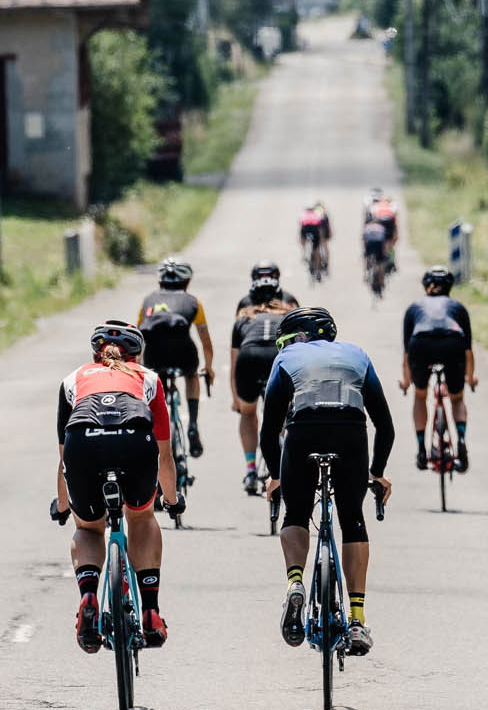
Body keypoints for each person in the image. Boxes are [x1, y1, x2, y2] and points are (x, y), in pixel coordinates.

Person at [261, 307, 394, 656]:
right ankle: (356, 619)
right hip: (351, 434)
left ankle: (294, 583)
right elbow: (385, 425)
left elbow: (269, 428)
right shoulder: (358, 355)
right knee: (352, 519)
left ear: (300, 337)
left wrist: (276, 476)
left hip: (303, 433)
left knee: (295, 514)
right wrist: (377, 472)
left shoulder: (288, 358)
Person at [56, 322, 177, 650]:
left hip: (84, 444)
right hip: (134, 442)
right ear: (136, 354)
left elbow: (64, 456)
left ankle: (88, 599)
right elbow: (164, 454)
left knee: (90, 529)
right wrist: (172, 498)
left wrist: (63, 505)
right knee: (141, 517)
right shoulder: (148, 378)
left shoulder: (73, 379)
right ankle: (150, 611)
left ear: (96, 354)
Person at [229, 260, 298, 495]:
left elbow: (235, 357)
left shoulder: (245, 311)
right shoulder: (289, 304)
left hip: (248, 359)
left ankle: (250, 470)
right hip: (276, 356)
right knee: (282, 414)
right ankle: (280, 465)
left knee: (247, 412)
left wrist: (235, 396)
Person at [400, 264, 476, 471]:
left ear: (426, 287)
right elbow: (468, 350)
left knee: (421, 396)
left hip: (421, 344)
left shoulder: (414, 307)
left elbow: (407, 353)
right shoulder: (458, 307)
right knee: (457, 398)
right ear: (449, 288)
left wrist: (406, 381)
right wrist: (470, 377)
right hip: (453, 344)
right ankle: (460, 440)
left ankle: (421, 449)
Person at [136, 257, 215, 455]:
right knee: (192, 375)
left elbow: (138, 339)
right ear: (187, 281)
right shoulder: (193, 301)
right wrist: (209, 366)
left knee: (157, 382)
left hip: (155, 355)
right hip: (184, 353)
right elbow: (205, 340)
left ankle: (155, 429)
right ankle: (193, 424)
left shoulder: (147, 300)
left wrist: (137, 368)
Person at [364, 188, 400, 271]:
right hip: (389, 220)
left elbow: (368, 223)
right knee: (389, 242)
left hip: (377, 221)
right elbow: (395, 221)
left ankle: (368, 262)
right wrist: (396, 235)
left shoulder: (371, 205)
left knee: (373, 238)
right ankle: (390, 259)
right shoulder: (391, 204)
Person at [299, 200, 331, 276]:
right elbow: (320, 227)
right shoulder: (318, 214)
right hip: (315, 229)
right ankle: (318, 269)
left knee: (303, 239)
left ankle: (304, 253)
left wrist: (302, 241)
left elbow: (301, 228)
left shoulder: (304, 214)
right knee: (316, 249)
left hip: (305, 229)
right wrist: (321, 237)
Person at [361, 210, 390, 290]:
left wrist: (365, 253)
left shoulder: (367, 227)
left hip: (370, 242)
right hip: (379, 242)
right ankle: (382, 282)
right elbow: (384, 242)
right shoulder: (381, 227)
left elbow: (364, 241)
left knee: (366, 257)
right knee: (380, 262)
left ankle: (366, 274)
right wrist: (385, 252)